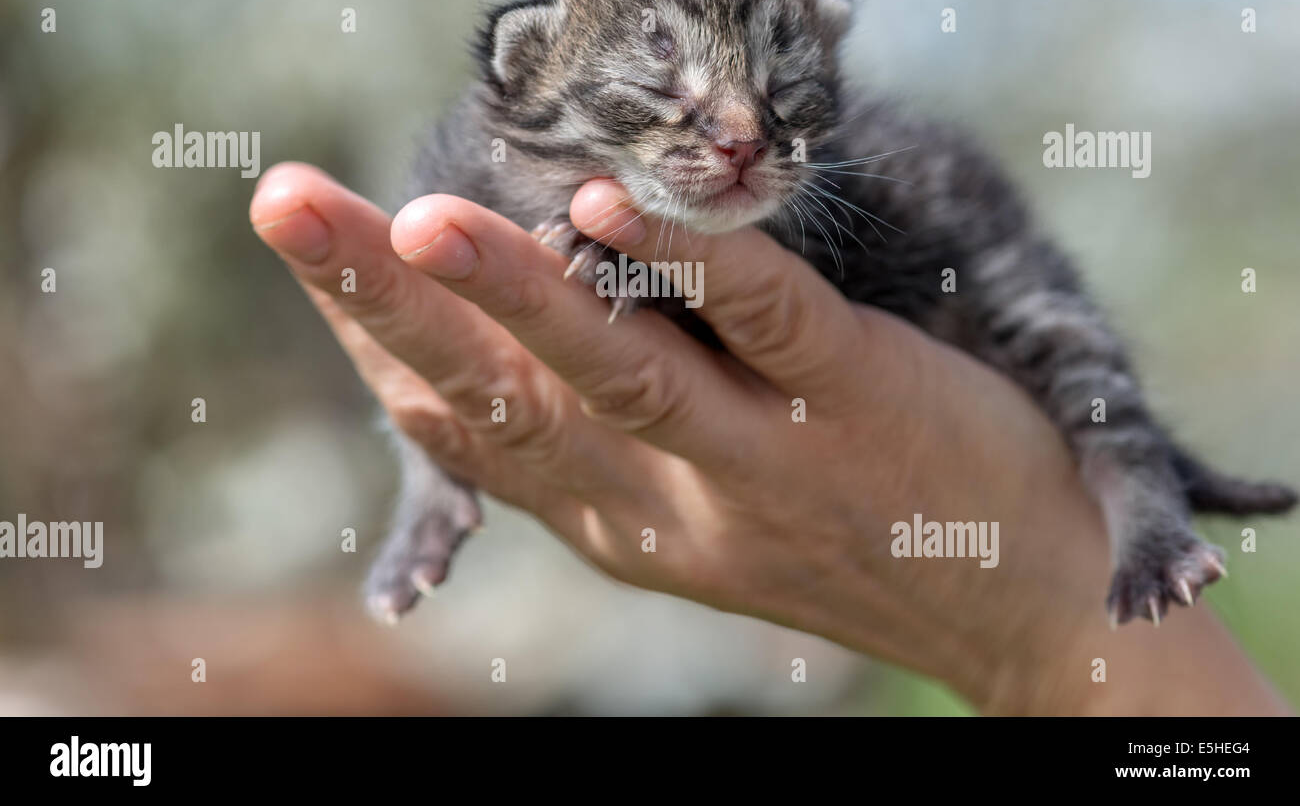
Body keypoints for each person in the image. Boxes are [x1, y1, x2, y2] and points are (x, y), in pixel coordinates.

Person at [250, 162, 1289, 715]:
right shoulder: (499, 160)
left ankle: (1147, 505)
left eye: (780, 98)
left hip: (957, 289)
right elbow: (457, 350)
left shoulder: (841, 187)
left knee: (1068, 359)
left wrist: (1042, 637)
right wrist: (432, 464)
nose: (741, 133)